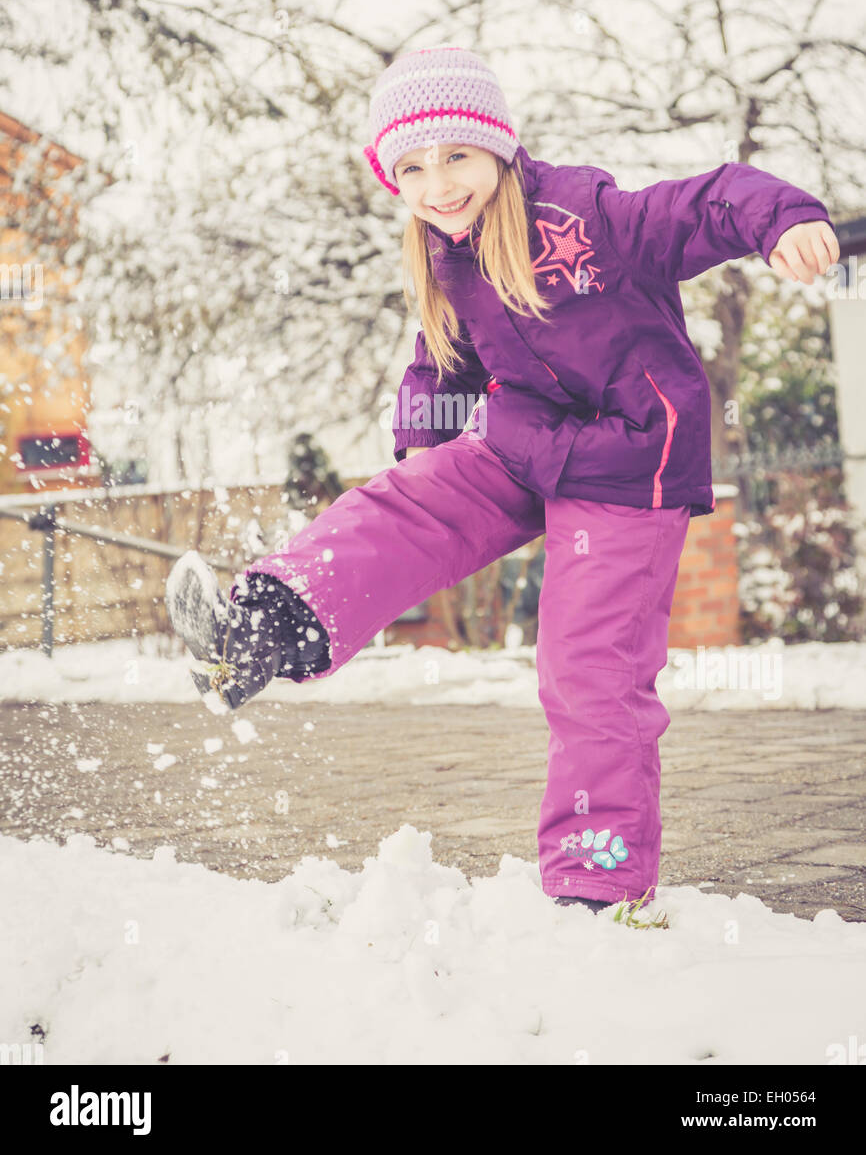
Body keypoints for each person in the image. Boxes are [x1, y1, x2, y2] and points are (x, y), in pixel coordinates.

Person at [166, 45, 838, 914]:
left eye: (456, 157)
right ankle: (260, 630)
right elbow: (440, 361)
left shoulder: (589, 216)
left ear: (499, 149)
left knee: (585, 665)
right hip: (523, 440)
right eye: (412, 166)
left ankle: (597, 882)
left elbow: (702, 203)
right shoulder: (445, 256)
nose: (438, 183)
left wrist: (783, 219)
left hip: (630, 463)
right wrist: (421, 450)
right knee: (398, 506)